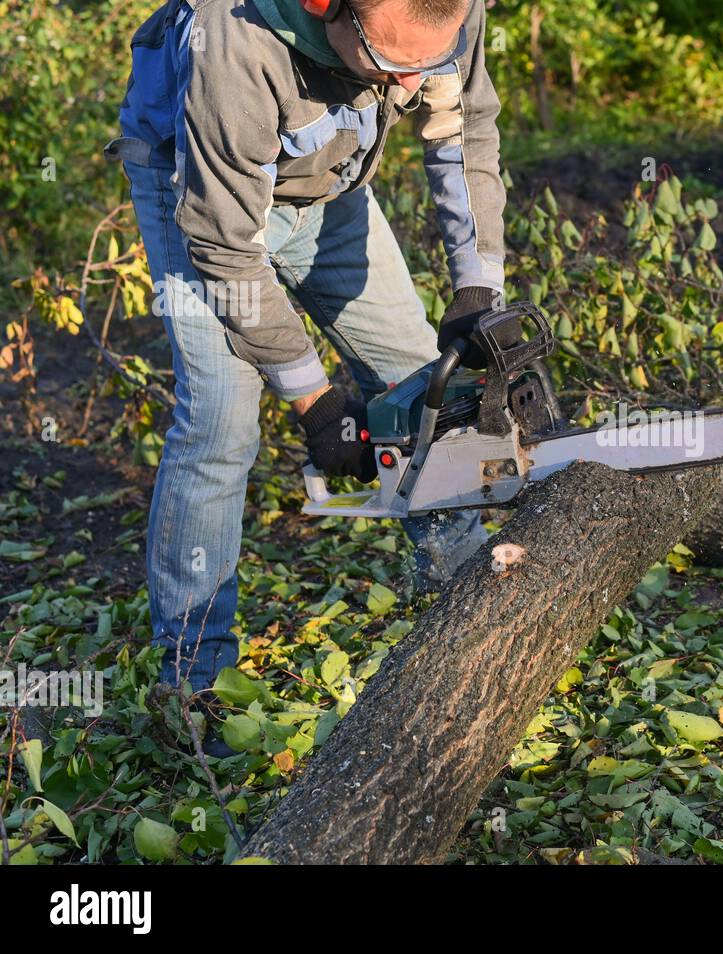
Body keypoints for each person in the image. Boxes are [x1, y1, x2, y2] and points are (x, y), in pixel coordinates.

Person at [106, 0, 509, 698]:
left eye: (425, 66)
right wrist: (316, 402)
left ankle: (470, 617)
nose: (408, 90)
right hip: (199, 192)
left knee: (420, 384)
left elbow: (466, 132)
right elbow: (226, 250)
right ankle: (195, 684)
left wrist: (478, 288)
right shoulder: (234, 41)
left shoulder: (449, 9)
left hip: (331, 185)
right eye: (390, 66)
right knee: (220, 425)